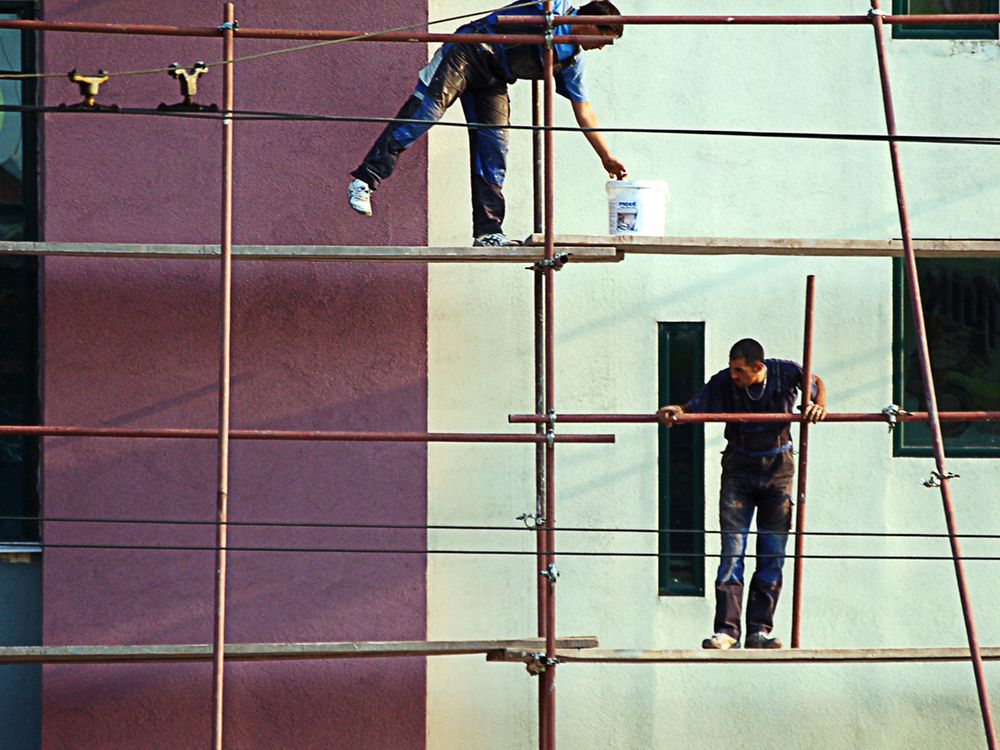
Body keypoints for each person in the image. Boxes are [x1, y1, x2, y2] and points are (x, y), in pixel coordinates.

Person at [347, 0, 628, 246]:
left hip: (493, 78)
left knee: (494, 147)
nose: (601, 48)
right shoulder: (553, 7)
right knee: (424, 115)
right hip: (469, 51)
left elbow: (585, 111)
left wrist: (606, 157)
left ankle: (488, 231)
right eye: (605, 40)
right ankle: (365, 180)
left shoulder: (571, 62)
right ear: (591, 24)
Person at [657, 338, 827, 650]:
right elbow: (696, 404)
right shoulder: (725, 380)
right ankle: (727, 632)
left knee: (772, 554)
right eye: (732, 369)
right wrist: (677, 410)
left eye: (739, 370)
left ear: (758, 368)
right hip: (739, 469)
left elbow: (814, 382)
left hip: (778, 470)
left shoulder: (784, 372)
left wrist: (818, 404)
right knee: (732, 552)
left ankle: (758, 632)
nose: (733, 375)